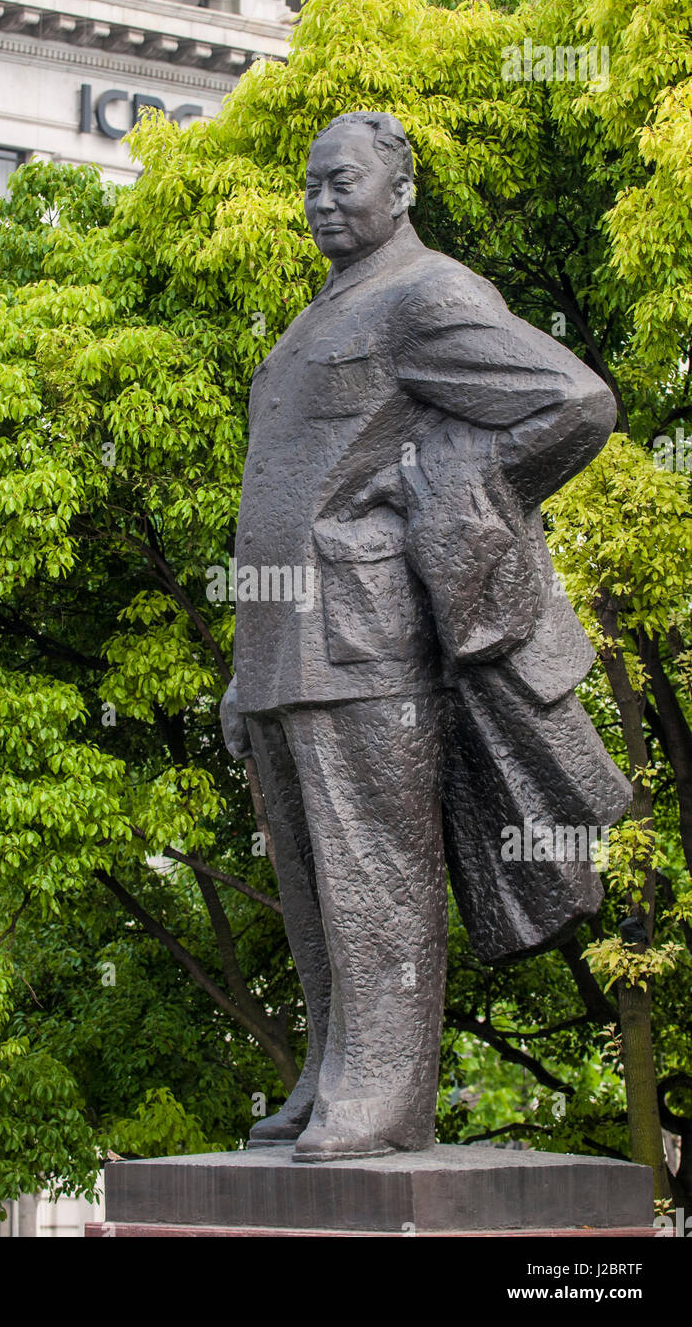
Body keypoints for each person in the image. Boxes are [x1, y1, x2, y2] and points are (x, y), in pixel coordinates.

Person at [220, 111, 631, 1162]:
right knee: (311, 885)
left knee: (375, 873)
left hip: (366, 636)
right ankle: (328, 1071)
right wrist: (240, 666)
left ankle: (384, 1093)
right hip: (279, 639)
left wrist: (453, 493)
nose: (319, 201)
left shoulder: (426, 294)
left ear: (398, 189)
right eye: (308, 184)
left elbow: (573, 400)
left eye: (341, 181)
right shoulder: (320, 310)